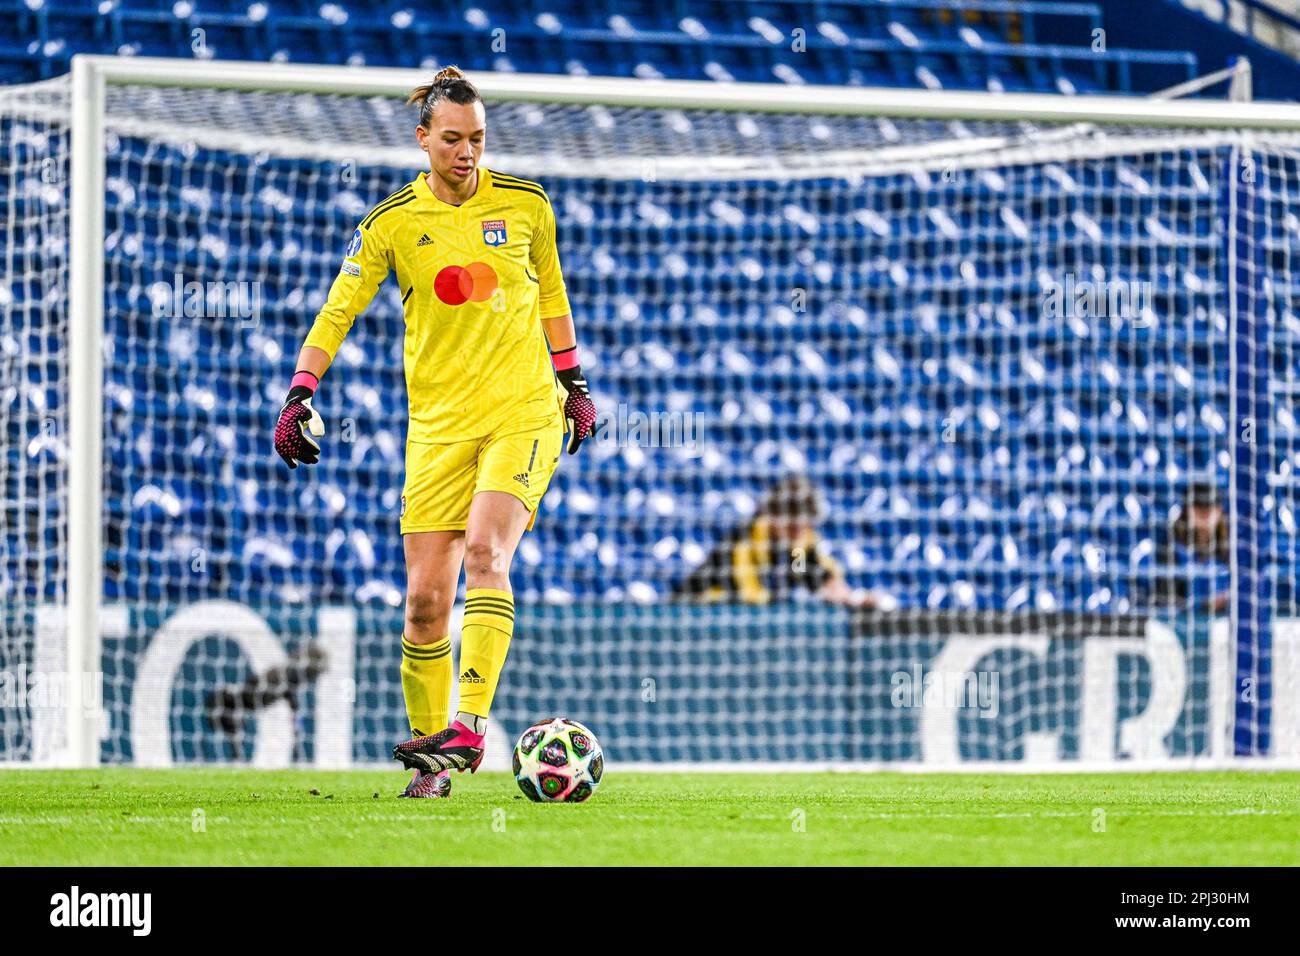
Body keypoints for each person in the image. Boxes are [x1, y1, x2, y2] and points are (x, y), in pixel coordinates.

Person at [273, 66, 597, 798]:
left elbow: (553, 293)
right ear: (423, 138)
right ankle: (432, 768)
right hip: (437, 432)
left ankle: (471, 727)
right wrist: (300, 393)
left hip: (522, 413)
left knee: (486, 552)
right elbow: (337, 310)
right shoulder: (392, 223)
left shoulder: (526, 205)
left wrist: (574, 384)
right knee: (422, 604)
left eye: (478, 139)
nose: (468, 153)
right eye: (453, 140)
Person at [672, 476, 877, 607]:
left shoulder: (798, 545)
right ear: (773, 516)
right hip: (701, 611)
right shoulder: (743, 544)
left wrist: (851, 597)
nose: (799, 534)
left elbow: (817, 575)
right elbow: (751, 597)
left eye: (804, 527)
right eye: (793, 528)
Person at [1150, 479, 1231, 614]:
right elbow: (1164, 599)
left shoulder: (1230, 551)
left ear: (1220, 509)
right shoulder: (1171, 550)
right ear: (1188, 510)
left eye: (1211, 506)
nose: (1205, 512)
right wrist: (1203, 605)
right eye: (1199, 506)